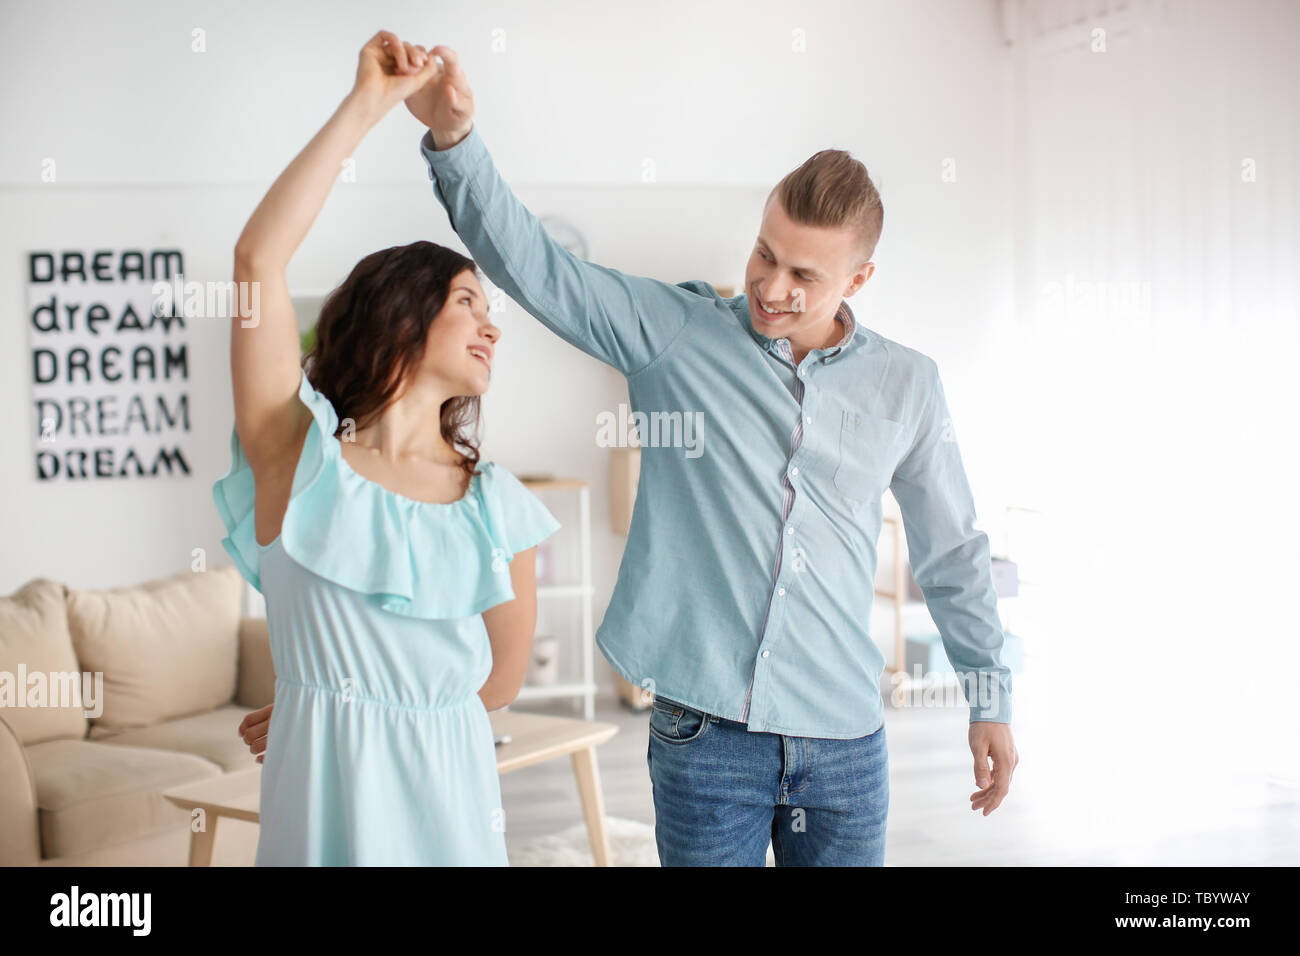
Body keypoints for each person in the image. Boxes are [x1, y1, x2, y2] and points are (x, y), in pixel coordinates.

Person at [243, 34, 1020, 867]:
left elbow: (953, 553)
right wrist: (454, 142)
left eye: (804, 276)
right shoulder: (677, 332)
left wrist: (989, 696)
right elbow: (539, 269)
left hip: (846, 744)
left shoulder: (908, 385)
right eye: (764, 253)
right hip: (705, 736)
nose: (770, 287)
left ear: (857, 282)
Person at [216, 32, 560, 865]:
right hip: (323, 818)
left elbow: (498, 686)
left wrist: (359, 700)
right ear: (403, 317)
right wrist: (367, 105)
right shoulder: (294, 458)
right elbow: (257, 260)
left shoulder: (497, 505)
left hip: (452, 809)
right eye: (470, 302)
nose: (491, 326)